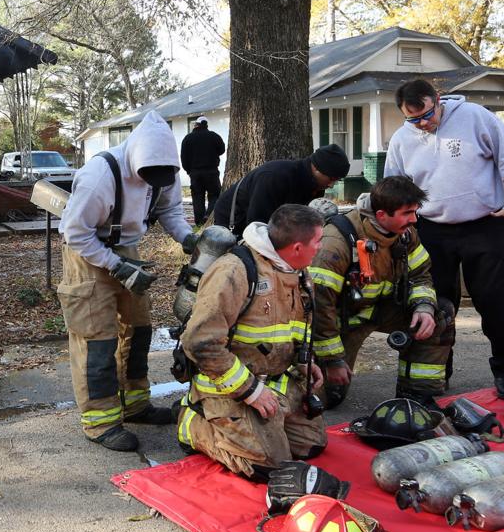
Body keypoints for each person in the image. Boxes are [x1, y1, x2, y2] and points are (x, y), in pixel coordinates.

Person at [57, 110, 198, 452]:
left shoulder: (165, 173)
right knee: (97, 340)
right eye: (148, 177)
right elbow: (75, 232)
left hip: (127, 247)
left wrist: (187, 238)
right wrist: (115, 266)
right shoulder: (99, 176)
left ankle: (135, 404)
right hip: (88, 252)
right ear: (135, 160)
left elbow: (170, 211)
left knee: (138, 329)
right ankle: (100, 421)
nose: (154, 184)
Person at [384, 79, 504, 397]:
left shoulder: (476, 117)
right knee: (435, 304)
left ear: (437, 100)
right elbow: (393, 186)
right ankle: (438, 372)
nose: (422, 124)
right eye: (412, 119)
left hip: (485, 224)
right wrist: (397, 224)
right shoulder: (402, 139)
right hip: (432, 229)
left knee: (494, 301)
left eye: (425, 115)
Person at [177, 204, 327, 479]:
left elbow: (295, 327)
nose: (320, 248)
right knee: (269, 466)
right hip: (230, 385)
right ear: (296, 247)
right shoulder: (235, 271)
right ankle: (194, 424)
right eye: (318, 241)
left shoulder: (299, 272)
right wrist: (251, 392)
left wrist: (306, 362)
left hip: (274, 378)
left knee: (310, 446)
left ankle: (263, 424)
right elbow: (200, 342)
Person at [309, 176, 454, 409]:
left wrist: (423, 307)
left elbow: (421, 275)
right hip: (341, 322)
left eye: (415, 212)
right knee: (327, 398)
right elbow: (319, 307)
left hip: (380, 308)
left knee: (441, 313)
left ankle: (415, 397)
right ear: (381, 215)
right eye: (407, 213)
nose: (414, 219)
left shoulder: (405, 235)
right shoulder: (335, 244)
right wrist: (333, 360)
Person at [210, 144, 350, 235]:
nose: (331, 185)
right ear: (316, 168)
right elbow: (257, 223)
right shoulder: (276, 177)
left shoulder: (316, 184)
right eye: (331, 178)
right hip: (235, 217)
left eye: (336, 180)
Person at [179, 115, 225, 225]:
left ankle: (199, 222)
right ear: (206, 125)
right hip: (212, 172)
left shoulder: (188, 138)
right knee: (215, 195)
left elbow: (183, 157)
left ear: (196, 125)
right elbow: (222, 150)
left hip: (195, 173)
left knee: (197, 197)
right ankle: (209, 216)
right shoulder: (214, 136)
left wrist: (189, 171)